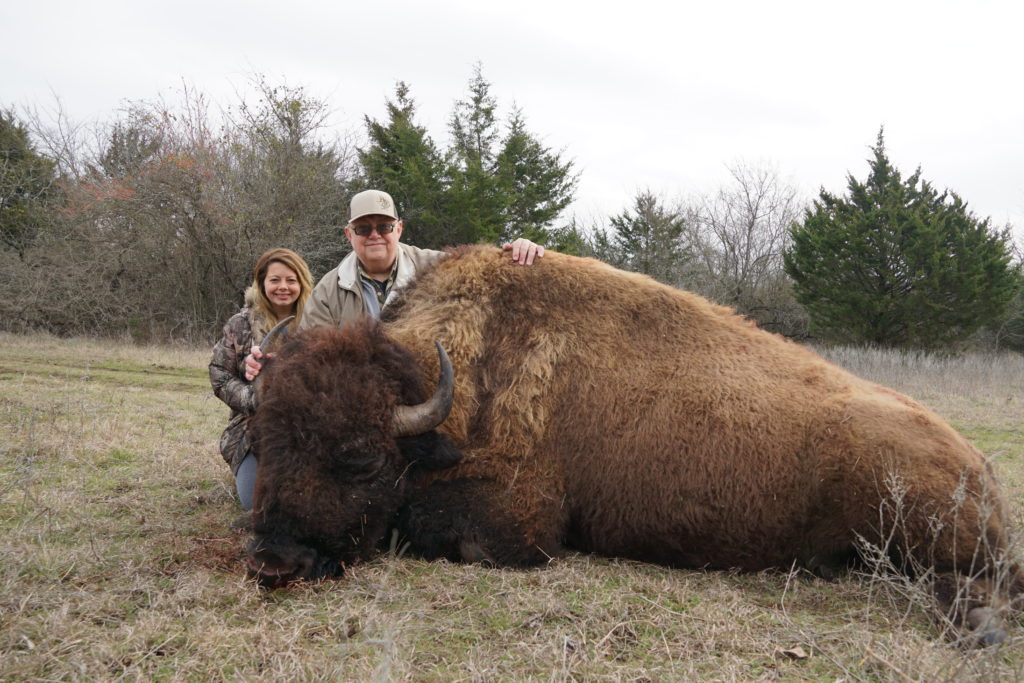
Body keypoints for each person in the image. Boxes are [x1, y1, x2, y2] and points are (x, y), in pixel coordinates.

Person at [244, 188, 544, 380]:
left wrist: (518, 251)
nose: (374, 234)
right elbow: (309, 356)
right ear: (349, 235)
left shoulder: (439, 267)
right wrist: (272, 364)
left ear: (399, 229)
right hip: (360, 396)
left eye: (384, 226)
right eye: (363, 228)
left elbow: (487, 276)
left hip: (428, 387)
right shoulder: (328, 290)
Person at [209, 248, 313, 511]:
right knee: (258, 503)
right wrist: (253, 397)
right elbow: (219, 375)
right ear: (261, 283)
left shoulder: (318, 321)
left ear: (302, 282)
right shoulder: (240, 324)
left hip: (309, 427)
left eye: (291, 280)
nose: (283, 287)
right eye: (274, 280)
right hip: (253, 428)